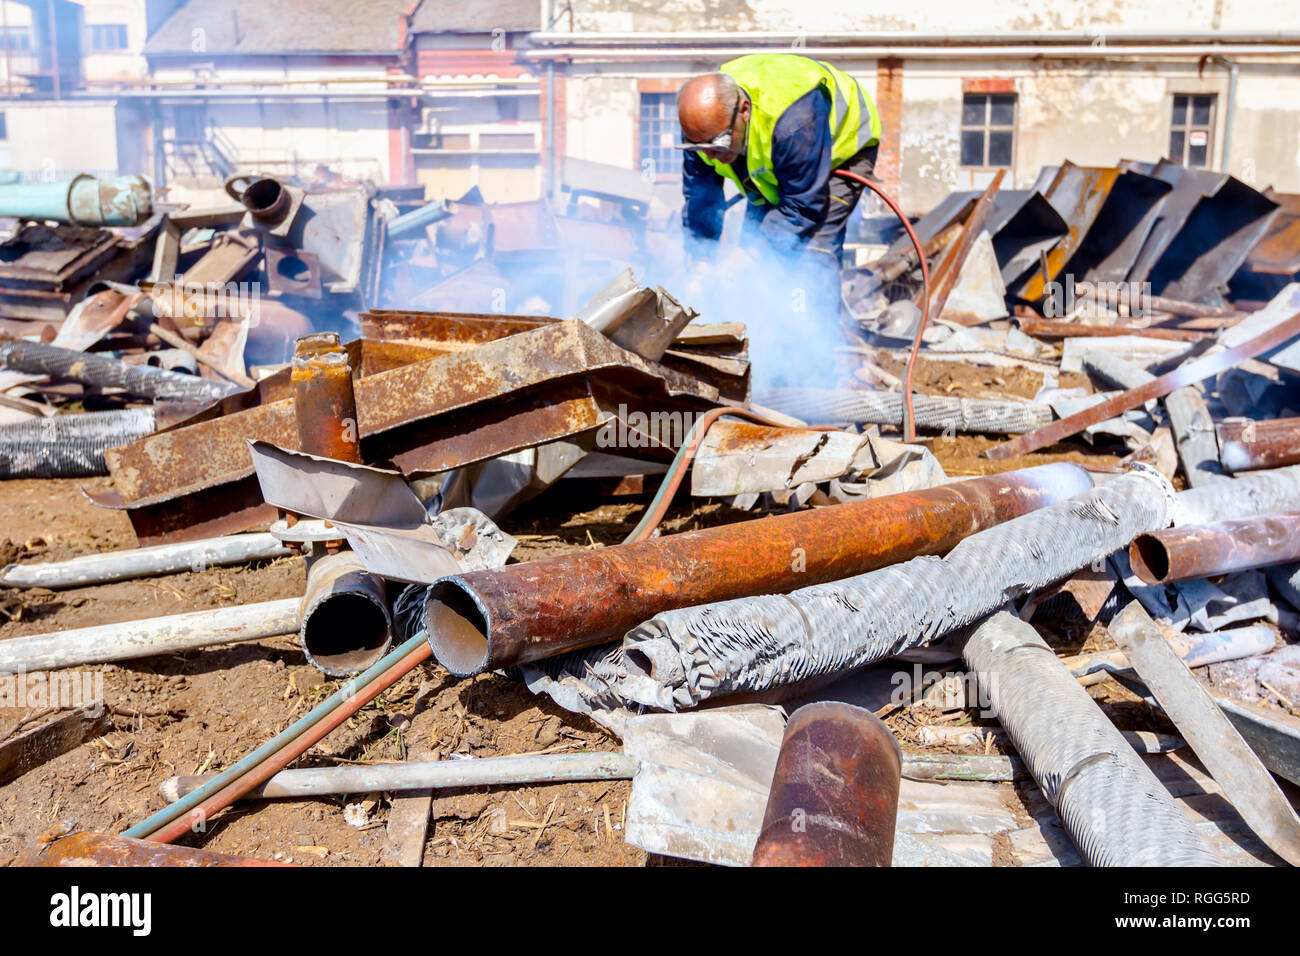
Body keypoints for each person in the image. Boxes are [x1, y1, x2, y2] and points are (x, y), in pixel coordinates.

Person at [676, 53, 882, 318]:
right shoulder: (702, 127)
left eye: (718, 146)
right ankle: (758, 344)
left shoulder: (795, 122)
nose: (710, 156)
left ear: (744, 110)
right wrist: (701, 261)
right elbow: (700, 197)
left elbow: (803, 206)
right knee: (754, 253)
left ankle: (813, 352)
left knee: (810, 254)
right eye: (701, 148)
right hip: (784, 158)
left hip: (840, 151)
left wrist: (746, 256)